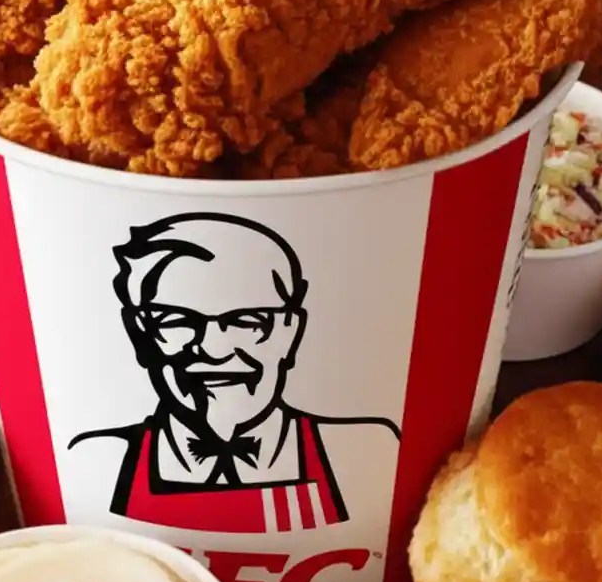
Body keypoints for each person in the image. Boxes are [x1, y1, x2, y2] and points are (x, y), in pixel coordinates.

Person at [70, 212, 399, 534]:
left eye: (248, 321)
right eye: (176, 321)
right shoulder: (97, 458)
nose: (214, 350)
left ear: (290, 332)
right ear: (140, 335)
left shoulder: (364, 447)